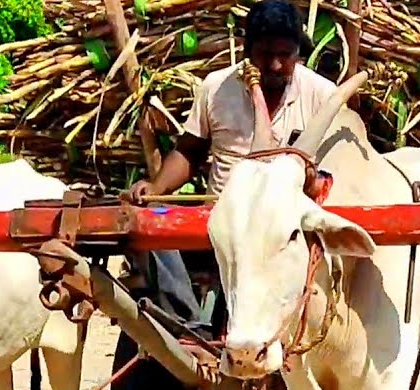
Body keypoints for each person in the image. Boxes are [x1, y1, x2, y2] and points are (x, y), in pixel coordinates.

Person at [119, 0, 339, 335]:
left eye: (285, 55)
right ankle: (187, 327)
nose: (275, 65)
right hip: (218, 223)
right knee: (150, 221)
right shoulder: (216, 87)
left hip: (283, 234)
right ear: (247, 51)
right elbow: (189, 151)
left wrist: (311, 184)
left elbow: (332, 175)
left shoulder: (322, 95)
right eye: (265, 54)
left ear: (299, 53)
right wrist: (157, 188)